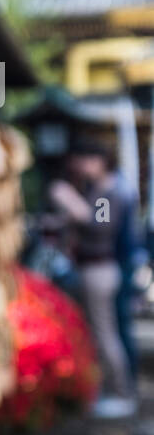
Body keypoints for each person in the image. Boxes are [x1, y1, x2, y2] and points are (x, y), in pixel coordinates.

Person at [49, 139, 137, 418]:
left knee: (106, 333)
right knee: (100, 333)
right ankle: (107, 390)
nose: (83, 167)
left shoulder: (113, 191)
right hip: (93, 268)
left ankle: (122, 394)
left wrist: (70, 203)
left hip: (101, 270)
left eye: (87, 160)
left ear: (100, 161)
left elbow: (100, 227)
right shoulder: (100, 189)